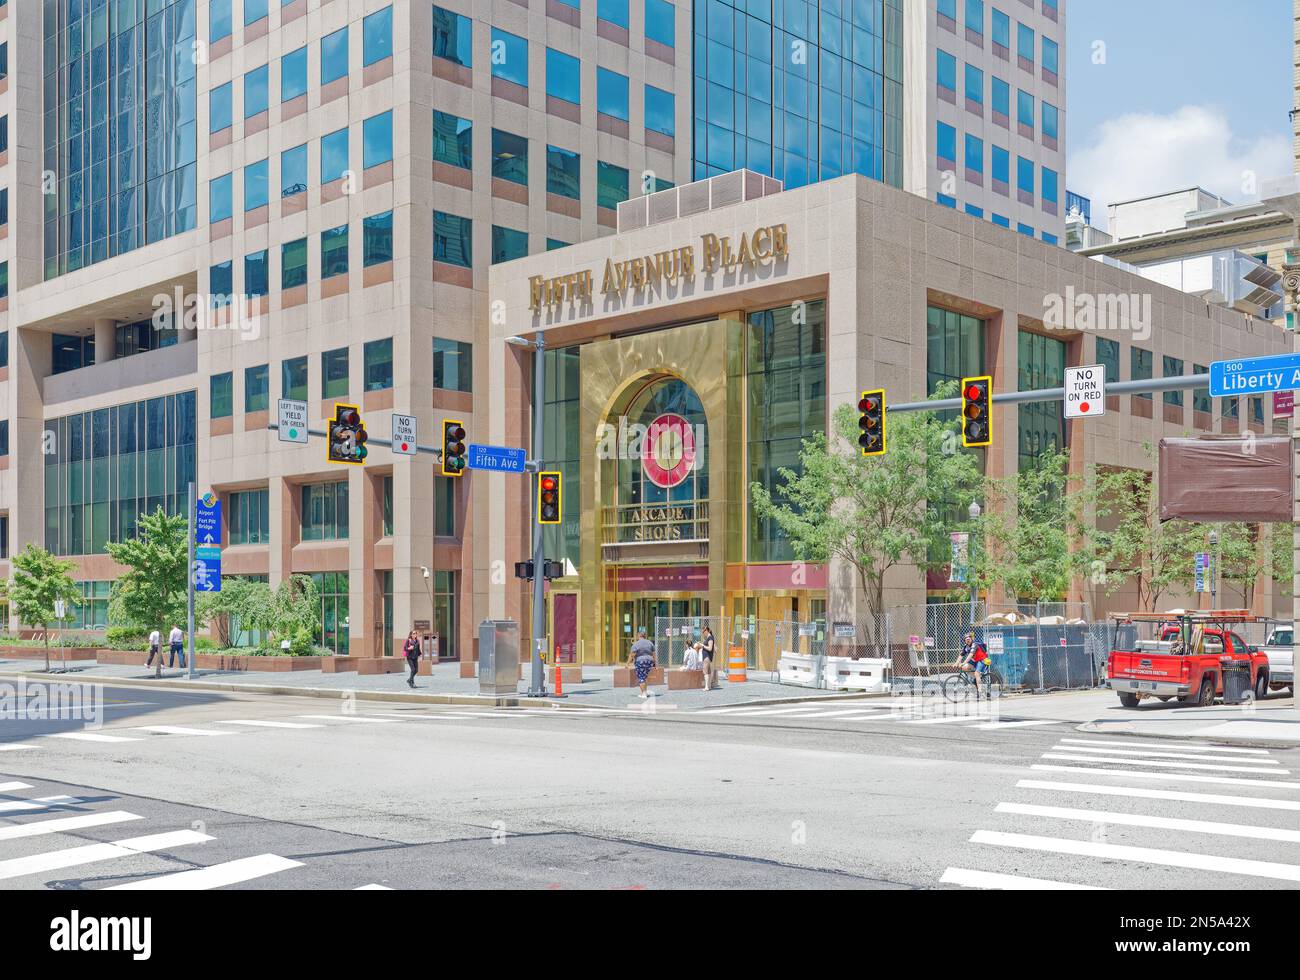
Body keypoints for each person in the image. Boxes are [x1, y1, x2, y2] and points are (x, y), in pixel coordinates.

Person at [956, 630, 991, 700]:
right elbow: (961, 655)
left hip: (982, 660)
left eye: (968, 639)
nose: (967, 641)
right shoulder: (966, 646)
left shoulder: (975, 644)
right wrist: (956, 663)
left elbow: (970, 654)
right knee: (964, 668)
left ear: (971, 639)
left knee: (976, 673)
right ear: (964, 641)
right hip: (975, 661)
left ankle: (980, 692)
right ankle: (976, 679)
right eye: (966, 640)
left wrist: (963, 662)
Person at [629, 627, 657, 699]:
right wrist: (655, 663)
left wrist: (628, 663)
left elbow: (633, 654)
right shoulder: (650, 643)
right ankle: (644, 692)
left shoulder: (636, 644)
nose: (636, 637)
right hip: (649, 662)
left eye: (637, 636)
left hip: (640, 662)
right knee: (644, 677)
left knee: (641, 678)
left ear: (639, 636)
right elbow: (654, 654)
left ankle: (644, 693)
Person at [700, 625, 717, 691]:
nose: (703, 633)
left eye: (703, 631)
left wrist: (702, 645)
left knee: (705, 670)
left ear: (706, 630)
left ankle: (706, 686)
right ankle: (708, 685)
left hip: (707, 656)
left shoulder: (710, 638)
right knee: (708, 670)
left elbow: (710, 648)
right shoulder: (708, 637)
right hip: (706, 655)